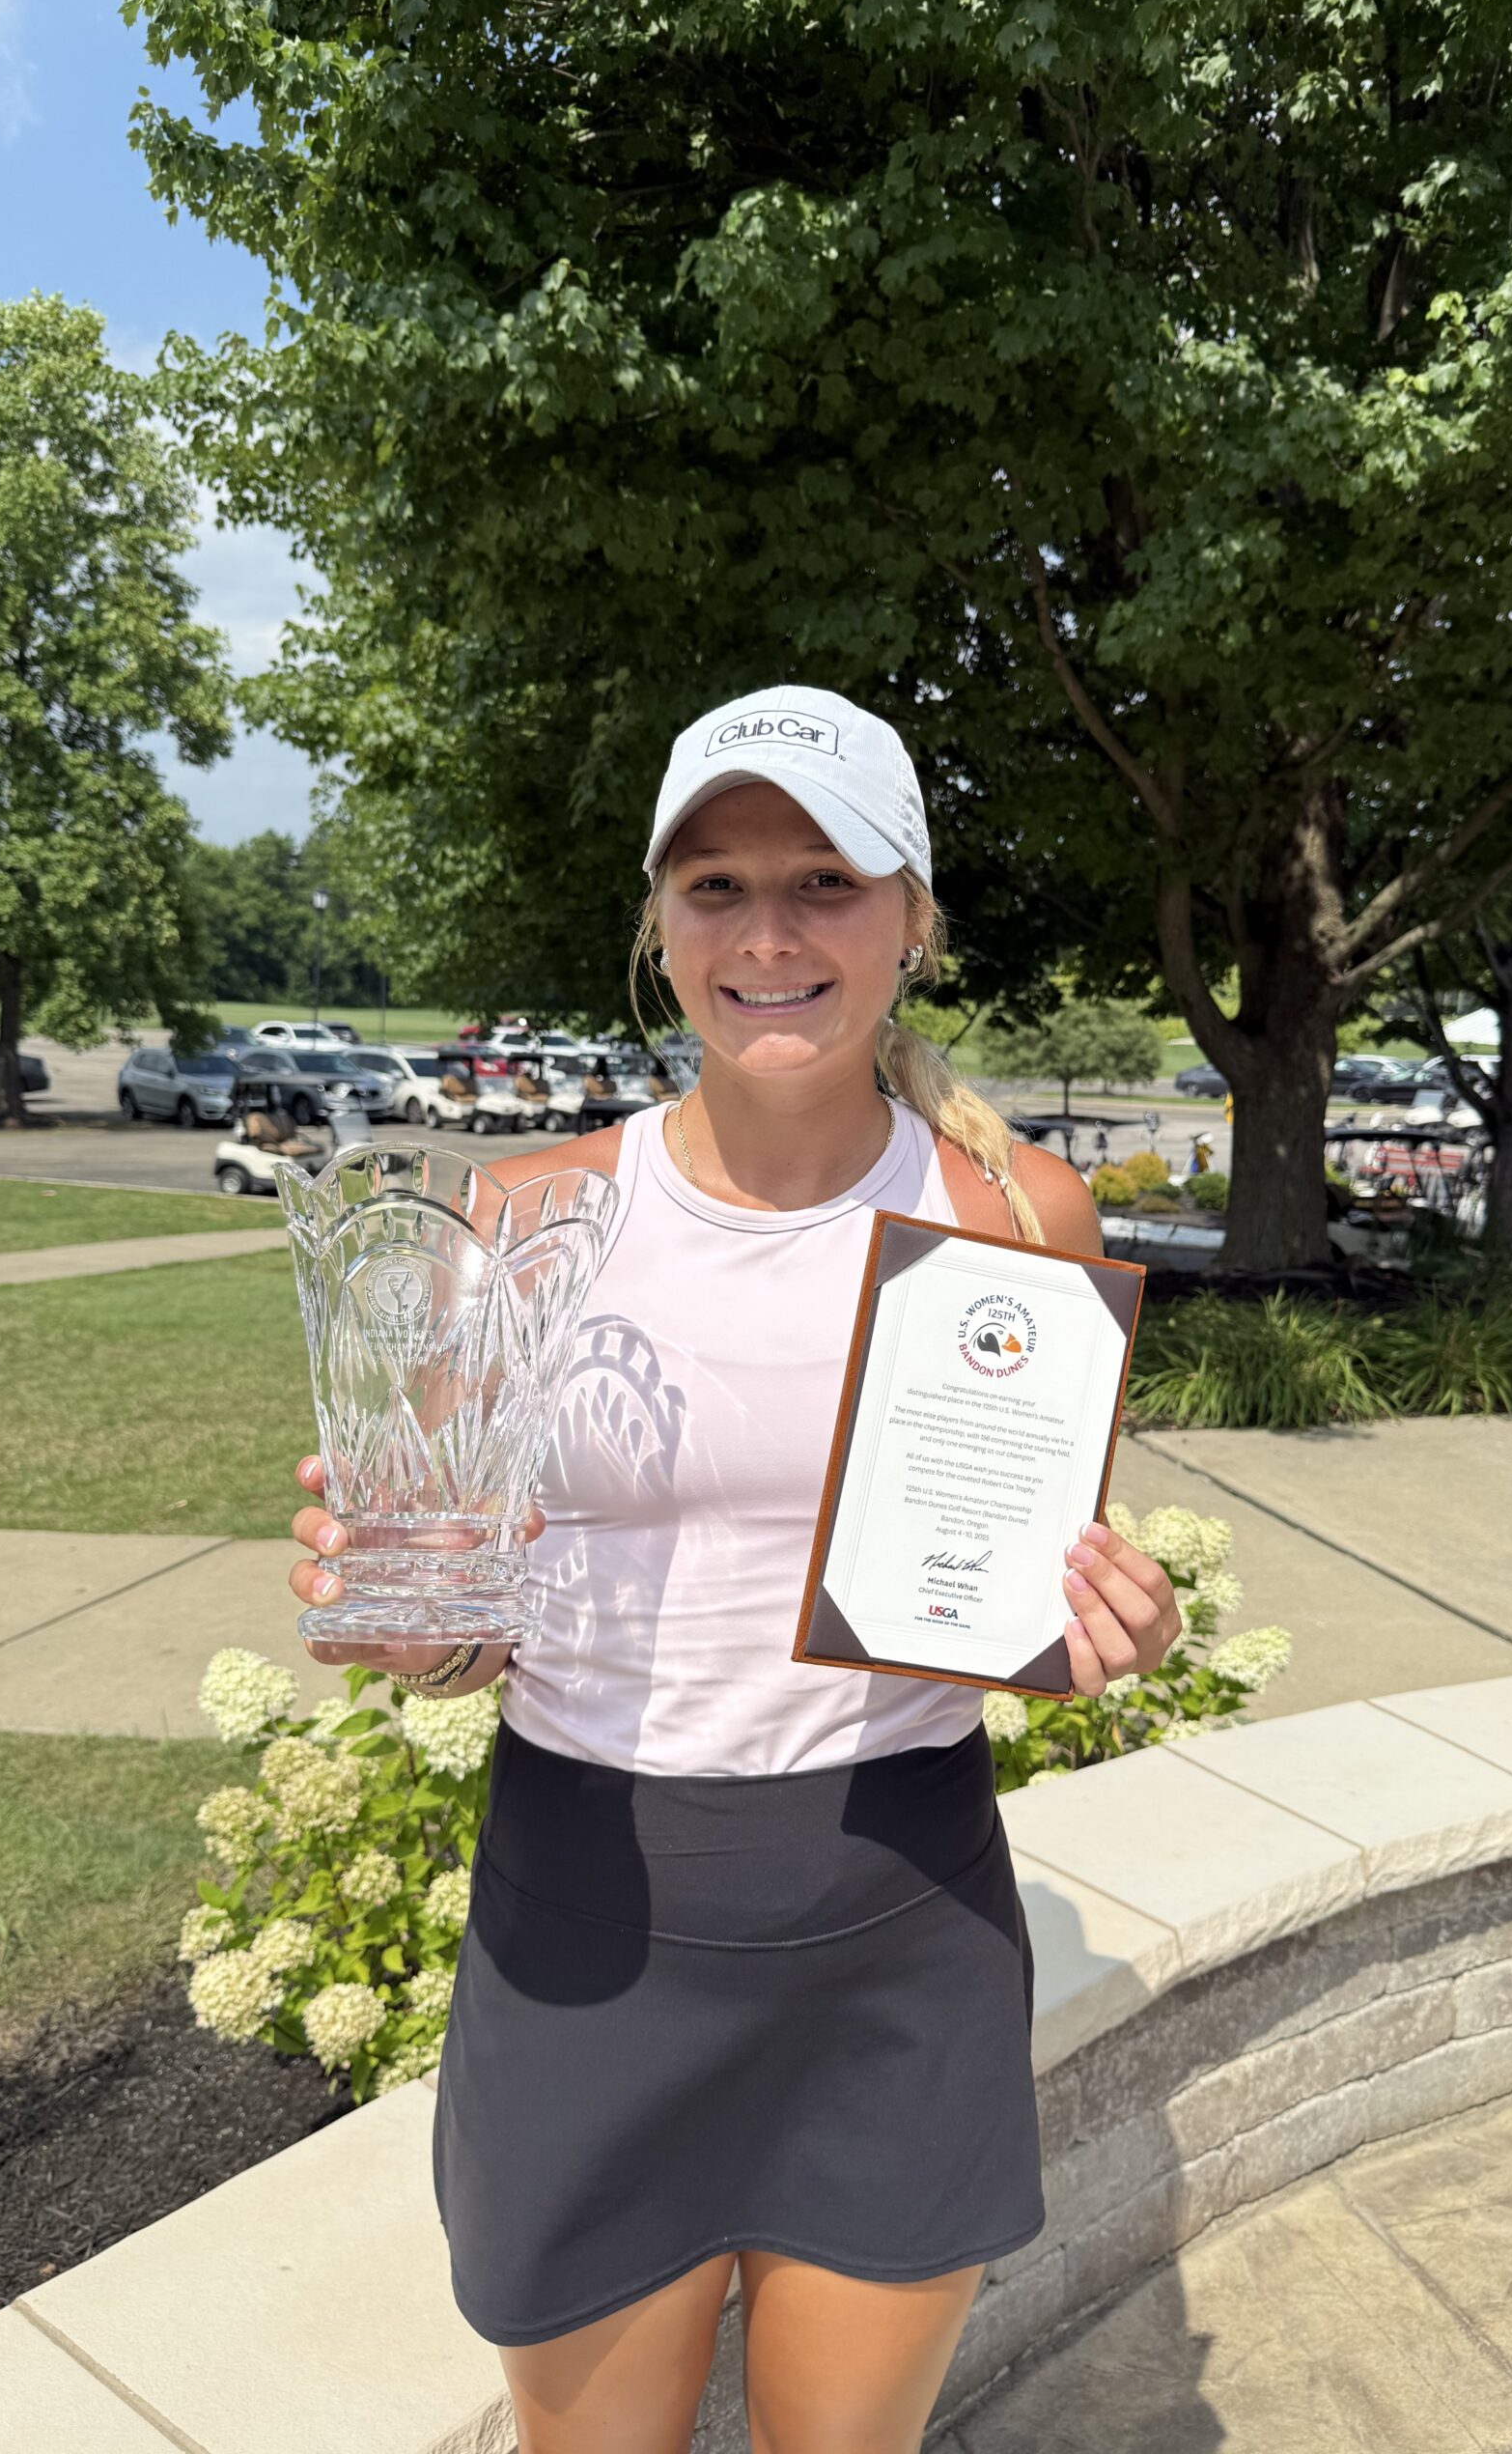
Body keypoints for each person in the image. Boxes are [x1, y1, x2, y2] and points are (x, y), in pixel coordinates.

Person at [289, 686, 1183, 2454]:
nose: (769, 934)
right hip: (587, 1918)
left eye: (826, 880)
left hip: (897, 1920)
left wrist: (1090, 1637)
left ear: (914, 916)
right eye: (714, 888)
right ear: (658, 925)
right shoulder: (534, 1215)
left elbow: (1011, 1603)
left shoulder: (1016, 1218)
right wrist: (417, 1632)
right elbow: (477, 1626)